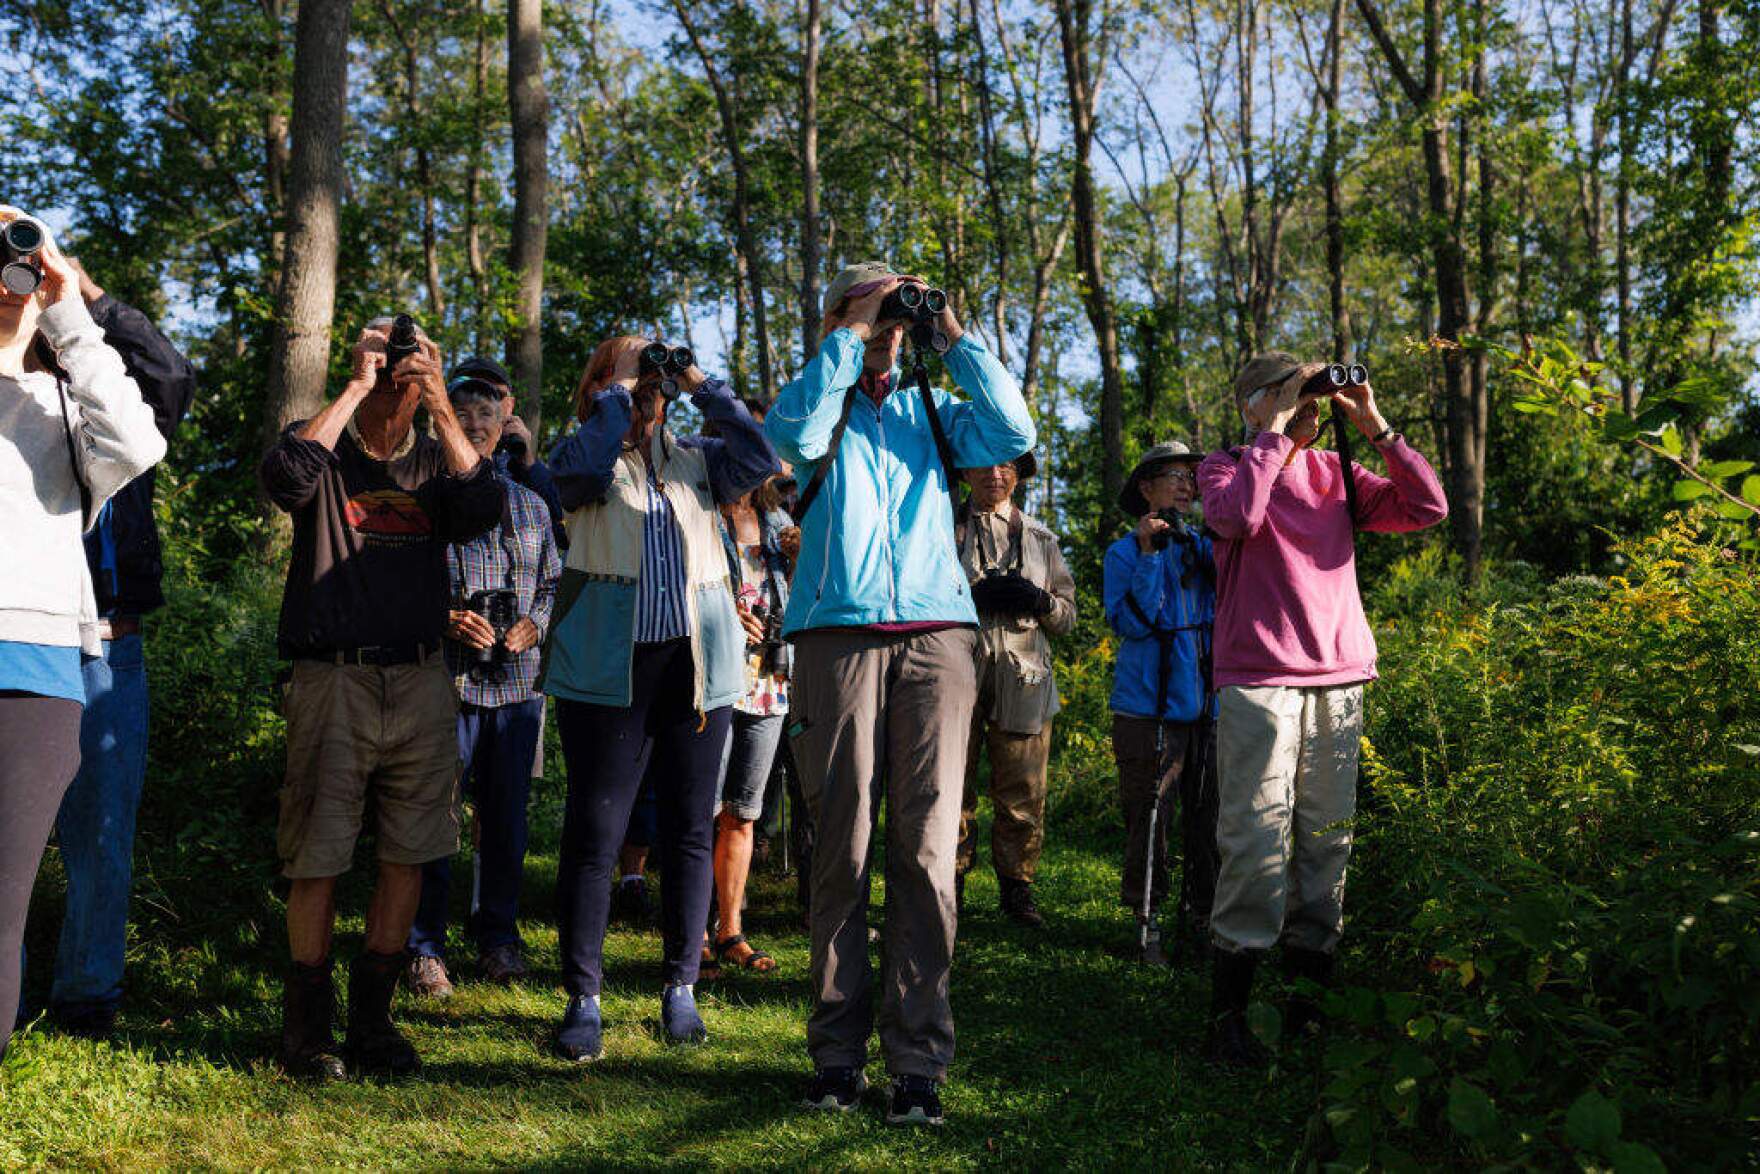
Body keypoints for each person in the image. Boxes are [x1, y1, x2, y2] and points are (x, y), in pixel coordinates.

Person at [767, 261, 1035, 1126]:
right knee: (840, 847)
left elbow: (1012, 428)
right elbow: (791, 431)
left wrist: (947, 332)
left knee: (925, 852)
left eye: (896, 304)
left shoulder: (932, 408)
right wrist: (853, 333)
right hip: (837, 634)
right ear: (839, 313)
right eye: (871, 303)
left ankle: (919, 1060)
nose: (891, 318)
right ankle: (837, 1058)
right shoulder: (826, 398)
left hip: (936, 638)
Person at [259, 318, 505, 1079]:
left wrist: (437, 397)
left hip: (423, 678)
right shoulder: (323, 445)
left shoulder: (438, 461)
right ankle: (307, 1030)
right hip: (333, 677)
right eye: (389, 356)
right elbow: (284, 480)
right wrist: (357, 384)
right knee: (318, 857)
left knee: (410, 853)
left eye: (410, 357)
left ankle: (372, 1022)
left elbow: (482, 505)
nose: (398, 367)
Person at [1197, 352, 1447, 1067]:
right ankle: (1228, 1018)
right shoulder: (1225, 466)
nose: (1310, 407)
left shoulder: (1336, 474)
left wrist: (1370, 422)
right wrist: (1272, 429)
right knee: (1254, 838)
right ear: (1251, 405)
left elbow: (1428, 506)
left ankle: (1308, 1007)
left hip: (1339, 676)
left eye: (1313, 397)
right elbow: (1238, 518)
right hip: (1259, 679)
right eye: (1291, 395)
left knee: (1325, 843)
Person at [542, 335, 778, 1062]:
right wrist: (614, 396)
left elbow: (760, 454)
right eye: (633, 377)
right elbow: (570, 477)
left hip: (697, 667)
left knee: (689, 829)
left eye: (655, 380)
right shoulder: (582, 455)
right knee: (595, 834)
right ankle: (584, 997)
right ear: (602, 387)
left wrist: (696, 379)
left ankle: (680, 986)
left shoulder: (700, 460)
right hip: (609, 667)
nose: (648, 389)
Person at [0, 208, 166, 1060]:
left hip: (76, 650)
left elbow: (151, 411)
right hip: (44, 643)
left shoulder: (79, 411)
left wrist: (70, 294)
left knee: (84, 844)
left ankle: (79, 999)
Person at [43, 260, 195, 1039]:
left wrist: (80, 285)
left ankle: (86, 999)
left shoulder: (125, 415)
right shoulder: (17, 405)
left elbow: (170, 369)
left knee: (103, 838)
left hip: (109, 652)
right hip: (26, 639)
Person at [404, 369, 561, 996]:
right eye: (463, 417)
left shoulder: (530, 502)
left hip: (517, 690)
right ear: (444, 423)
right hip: (447, 683)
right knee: (435, 819)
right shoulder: (426, 496)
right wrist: (444, 617)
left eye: (485, 419)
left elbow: (555, 581)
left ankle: (497, 938)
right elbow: (400, 585)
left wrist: (534, 624)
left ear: (504, 427)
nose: (474, 427)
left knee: (505, 822)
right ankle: (424, 948)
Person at [1102, 442, 1218, 964]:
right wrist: (1150, 556)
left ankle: (1202, 915)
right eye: (1174, 475)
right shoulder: (1125, 552)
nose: (1185, 485)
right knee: (1151, 816)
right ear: (1146, 488)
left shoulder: (1207, 547)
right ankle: (1146, 918)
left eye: (1191, 478)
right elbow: (1134, 622)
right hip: (1147, 708)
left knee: (1208, 816)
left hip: (1206, 708)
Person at [954, 452, 1076, 929]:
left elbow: (1068, 618)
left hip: (1025, 676)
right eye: (982, 464)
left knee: (1023, 786)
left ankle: (1017, 888)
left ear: (1019, 476)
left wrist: (1040, 600)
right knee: (951, 780)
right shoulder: (942, 530)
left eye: (1006, 466)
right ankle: (950, 881)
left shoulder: (1042, 540)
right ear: (965, 472)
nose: (994, 474)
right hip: (958, 670)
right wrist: (967, 598)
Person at [706, 474, 795, 974]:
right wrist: (724, 611)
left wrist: (803, 557)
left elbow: (806, 597)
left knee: (742, 813)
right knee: (702, 812)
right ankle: (692, 932)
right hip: (713, 677)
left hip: (769, 682)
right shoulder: (701, 515)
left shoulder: (779, 522)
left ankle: (730, 931)